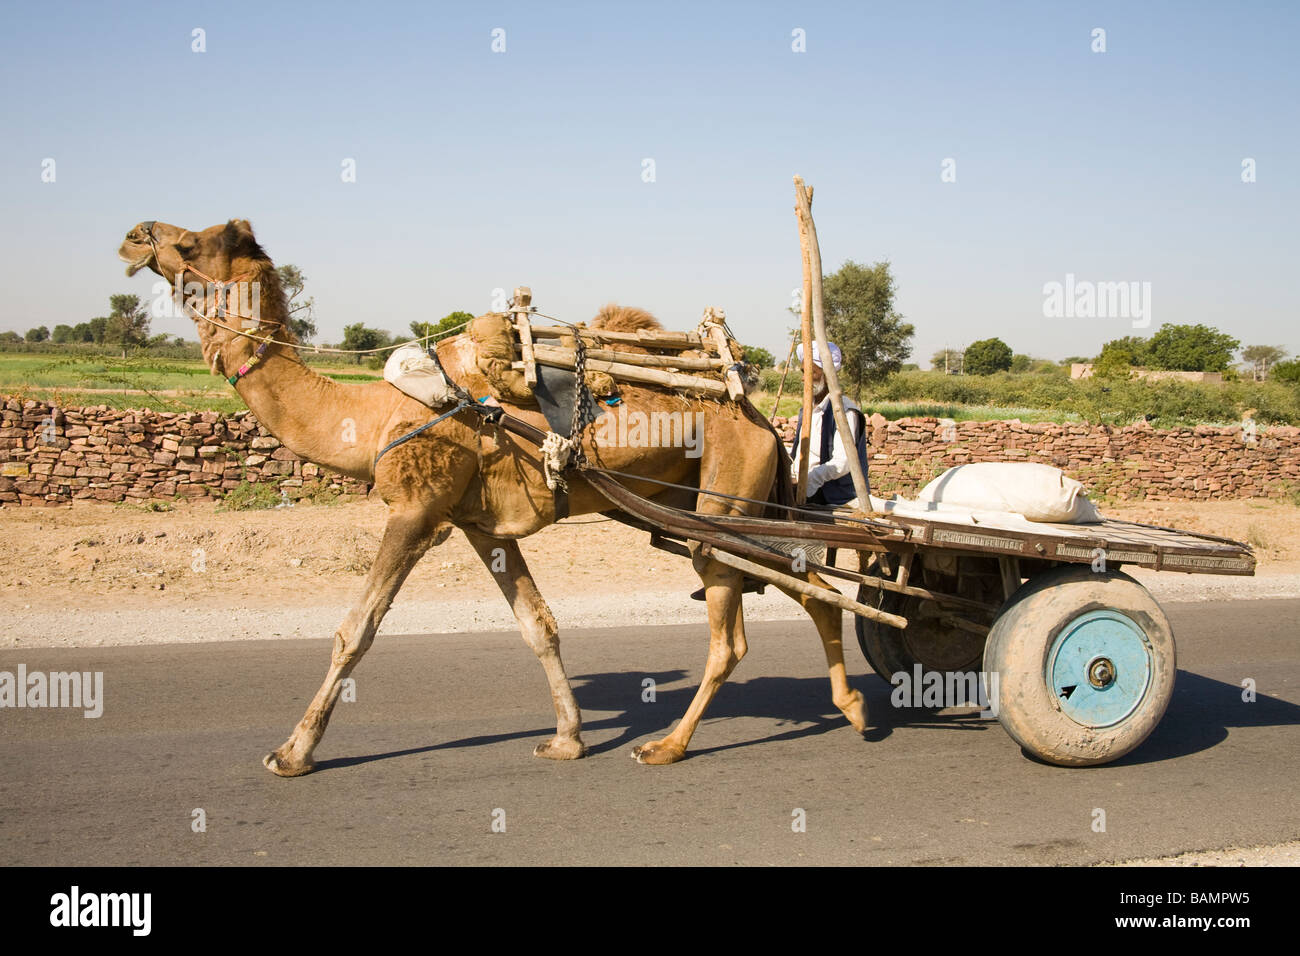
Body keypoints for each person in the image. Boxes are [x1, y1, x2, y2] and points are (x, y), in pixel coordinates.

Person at [789, 340, 870, 506]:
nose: (804, 378)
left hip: (831, 496)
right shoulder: (809, 409)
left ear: (827, 374)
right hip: (803, 487)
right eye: (804, 372)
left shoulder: (844, 412)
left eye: (812, 373)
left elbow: (843, 462)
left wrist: (809, 480)